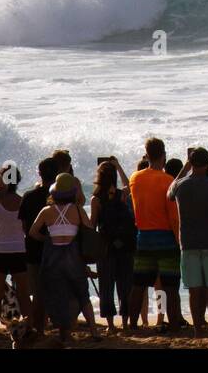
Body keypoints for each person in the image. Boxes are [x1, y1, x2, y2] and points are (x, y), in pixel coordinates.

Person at [169, 147, 208, 336]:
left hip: (188, 243)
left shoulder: (180, 184)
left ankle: (198, 330)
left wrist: (185, 167)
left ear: (191, 163)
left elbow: (169, 192)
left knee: (194, 291)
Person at [27, 172, 95, 345]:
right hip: (73, 256)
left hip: (53, 257)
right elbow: (89, 229)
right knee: (82, 294)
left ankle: (62, 332)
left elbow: (33, 232)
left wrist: (47, 240)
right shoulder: (78, 210)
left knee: (56, 294)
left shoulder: (47, 211)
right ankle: (94, 330)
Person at [128, 137, 184, 329]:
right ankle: (174, 324)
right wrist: (178, 241)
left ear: (147, 154)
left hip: (143, 236)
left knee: (139, 284)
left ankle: (132, 324)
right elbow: (173, 217)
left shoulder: (135, 178)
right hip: (166, 236)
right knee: (170, 285)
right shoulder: (168, 180)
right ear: (164, 155)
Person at [90, 158, 135, 330]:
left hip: (106, 246)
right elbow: (129, 186)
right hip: (124, 246)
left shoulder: (96, 199)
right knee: (125, 285)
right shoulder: (122, 194)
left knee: (106, 287)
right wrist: (119, 166)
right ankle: (125, 322)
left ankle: (110, 325)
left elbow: (93, 225)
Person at [0, 162, 30, 332]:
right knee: (24, 295)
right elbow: (26, 228)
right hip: (19, 250)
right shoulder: (22, 201)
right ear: (17, 180)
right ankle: (29, 327)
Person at [18, 156, 59, 334]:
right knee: (56, 290)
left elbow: (24, 228)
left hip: (34, 250)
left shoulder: (29, 196)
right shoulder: (61, 198)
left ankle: (39, 328)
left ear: (39, 174)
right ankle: (56, 325)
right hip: (57, 250)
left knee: (37, 293)